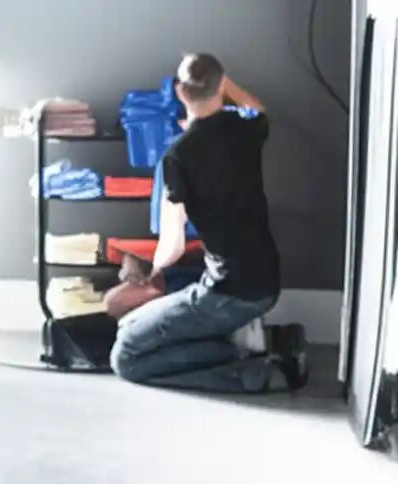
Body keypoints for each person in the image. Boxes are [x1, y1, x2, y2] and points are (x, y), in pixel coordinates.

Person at [109, 53, 308, 392]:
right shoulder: (245, 128)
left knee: (125, 354)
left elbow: (170, 247)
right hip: (265, 282)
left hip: (227, 293)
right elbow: (258, 107)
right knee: (131, 324)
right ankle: (249, 342)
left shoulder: (178, 156)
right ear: (221, 85)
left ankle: (252, 368)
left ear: (179, 91)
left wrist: (147, 273)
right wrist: (222, 81)